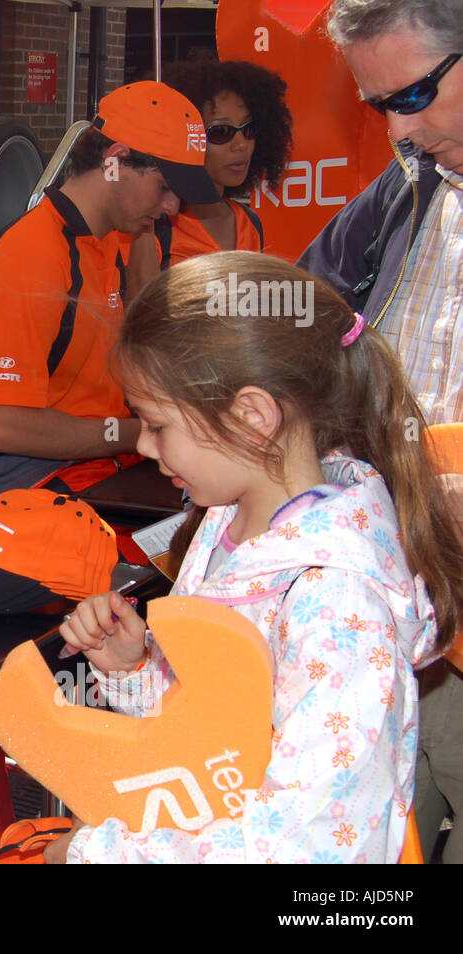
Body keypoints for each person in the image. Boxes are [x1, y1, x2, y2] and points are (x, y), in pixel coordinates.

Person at [46, 251, 463, 863]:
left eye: (156, 424)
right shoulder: (226, 522)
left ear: (252, 416)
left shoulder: (339, 604)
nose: (143, 445)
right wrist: (137, 672)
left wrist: (96, 854)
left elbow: (308, 843)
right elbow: (217, 724)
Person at [297, 0, 463, 864]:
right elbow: (297, 310)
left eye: (414, 96)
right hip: (402, 603)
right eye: (378, 107)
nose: (400, 128)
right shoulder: (407, 186)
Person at [0, 81, 220, 535]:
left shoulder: (118, 236)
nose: (172, 206)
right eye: (165, 187)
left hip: (104, 462)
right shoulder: (31, 259)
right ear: (114, 160)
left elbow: (150, 340)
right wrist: (141, 433)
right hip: (29, 476)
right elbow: (0, 426)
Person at [127, 59, 292, 294]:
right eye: (220, 132)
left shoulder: (250, 224)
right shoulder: (156, 222)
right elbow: (141, 308)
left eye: (248, 130)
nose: (241, 145)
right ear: (184, 139)